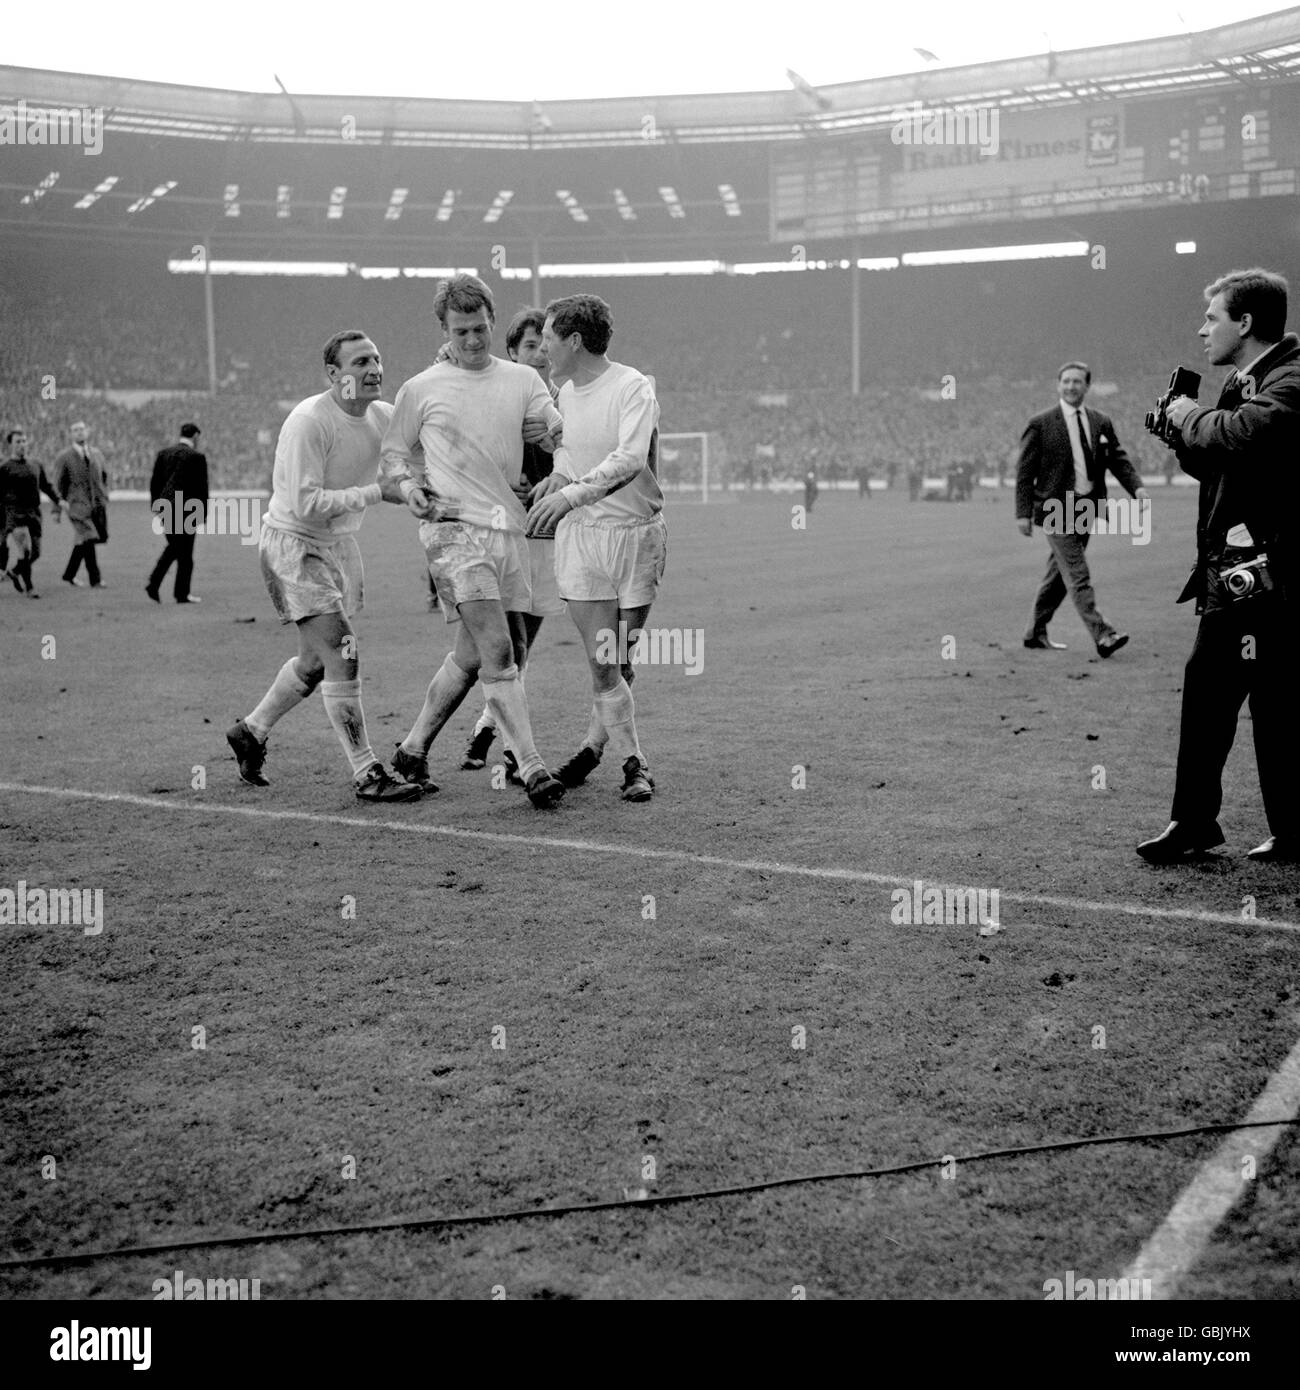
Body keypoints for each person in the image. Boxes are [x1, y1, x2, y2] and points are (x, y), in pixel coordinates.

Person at [382, 274, 567, 810]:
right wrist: (410, 487)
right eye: (460, 331)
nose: (472, 340)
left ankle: (413, 749)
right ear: (444, 329)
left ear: (492, 322)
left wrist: (552, 438)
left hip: (508, 531)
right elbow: (393, 457)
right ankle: (530, 767)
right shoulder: (420, 388)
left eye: (480, 328)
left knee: (469, 654)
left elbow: (560, 433)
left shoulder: (522, 381)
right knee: (499, 648)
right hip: (451, 530)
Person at [1137, 269, 1300, 864]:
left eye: (1212, 317)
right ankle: (1276, 828)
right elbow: (1222, 463)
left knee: (1215, 692)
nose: (1202, 328)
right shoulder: (1245, 380)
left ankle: (1195, 822)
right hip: (1245, 571)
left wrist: (1188, 416)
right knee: (1274, 702)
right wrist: (1179, 437)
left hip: (1268, 574)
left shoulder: (1291, 379)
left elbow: (1240, 435)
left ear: (1246, 322)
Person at [225, 330, 420, 803]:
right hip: (293, 544)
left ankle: (251, 731)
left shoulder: (384, 415)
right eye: (359, 362)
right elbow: (306, 503)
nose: (373, 368)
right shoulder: (310, 421)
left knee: (315, 662)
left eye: (376, 358)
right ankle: (366, 772)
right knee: (343, 652)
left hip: (336, 546)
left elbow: (413, 462)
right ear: (334, 374)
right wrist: (380, 493)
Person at [526, 293, 663, 802]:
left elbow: (629, 458)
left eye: (548, 340)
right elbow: (568, 449)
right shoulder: (563, 393)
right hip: (582, 537)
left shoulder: (633, 387)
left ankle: (590, 748)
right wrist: (558, 477)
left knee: (620, 661)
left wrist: (570, 491)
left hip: (636, 537)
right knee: (603, 661)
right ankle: (635, 765)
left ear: (575, 341)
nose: (542, 351)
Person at [461, 307, 565, 779]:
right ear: (510, 352)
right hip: (505, 539)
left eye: (545, 345)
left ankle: (486, 729)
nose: (540, 354)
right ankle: (514, 752)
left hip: (548, 539)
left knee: (521, 651)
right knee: (508, 645)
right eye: (529, 346)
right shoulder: (499, 397)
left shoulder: (563, 401)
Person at [1016, 361, 1148, 655]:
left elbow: (1118, 460)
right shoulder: (1040, 423)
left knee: (1058, 576)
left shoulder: (1101, 421)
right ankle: (1104, 635)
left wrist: (1137, 488)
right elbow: (1025, 472)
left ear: (1087, 386)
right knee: (1077, 573)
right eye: (1066, 381)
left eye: (1077, 382)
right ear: (1058, 385)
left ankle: (1034, 633)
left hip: (1086, 508)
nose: (1071, 386)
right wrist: (1022, 514)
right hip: (1055, 509)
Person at [146, 422, 208, 604]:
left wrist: (156, 507)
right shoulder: (197, 457)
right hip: (188, 511)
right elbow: (201, 488)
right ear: (195, 436)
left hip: (166, 508)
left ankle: (166, 589)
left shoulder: (163, 454)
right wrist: (202, 514)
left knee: (178, 550)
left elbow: (154, 483)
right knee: (182, 553)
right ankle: (164, 587)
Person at [1, 428, 62, 597]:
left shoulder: (36, 464)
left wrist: (58, 500)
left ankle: (14, 573)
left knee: (36, 553)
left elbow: (46, 486)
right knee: (24, 549)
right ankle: (30, 588)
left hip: (33, 512)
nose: (22, 445)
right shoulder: (5, 468)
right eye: (18, 442)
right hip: (14, 513)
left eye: (24, 441)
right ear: (10, 445)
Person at [54, 421, 110, 589]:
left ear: (88, 431)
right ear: (71, 434)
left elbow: (104, 476)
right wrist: (57, 509)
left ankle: (69, 574)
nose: (79, 432)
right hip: (76, 505)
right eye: (75, 430)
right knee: (89, 537)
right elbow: (58, 484)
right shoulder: (64, 457)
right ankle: (96, 579)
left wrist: (104, 497)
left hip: (96, 505)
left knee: (86, 540)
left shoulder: (97, 454)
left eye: (82, 429)